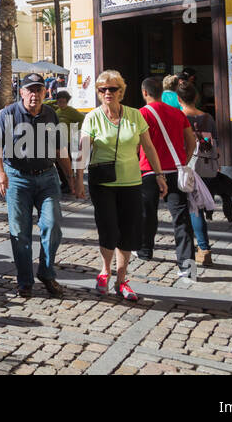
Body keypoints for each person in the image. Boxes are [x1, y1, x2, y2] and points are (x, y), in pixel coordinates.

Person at [0, 73, 81, 298]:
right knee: (20, 232)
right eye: (30, 90)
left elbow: (60, 149)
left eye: (39, 90)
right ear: (21, 93)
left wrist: (71, 177)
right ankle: (24, 280)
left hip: (48, 177)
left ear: (45, 92)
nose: (34, 95)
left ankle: (47, 273)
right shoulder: (8, 114)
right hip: (17, 178)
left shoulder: (50, 113)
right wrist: (0, 174)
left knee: (53, 224)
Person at [78, 71, 167, 301]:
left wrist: (159, 174)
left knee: (128, 231)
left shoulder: (135, 115)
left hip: (131, 181)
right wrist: (78, 179)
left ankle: (121, 278)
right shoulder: (92, 117)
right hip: (103, 183)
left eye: (113, 89)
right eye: (102, 89)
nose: (107, 93)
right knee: (108, 229)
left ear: (121, 91)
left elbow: (148, 146)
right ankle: (105, 269)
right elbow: (83, 150)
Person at [136, 75, 197, 275]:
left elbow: (135, 144)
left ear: (145, 92)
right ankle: (187, 266)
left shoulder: (141, 114)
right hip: (175, 171)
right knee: (181, 218)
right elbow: (192, 142)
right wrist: (183, 162)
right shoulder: (178, 113)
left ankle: (145, 250)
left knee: (147, 213)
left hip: (148, 171)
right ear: (162, 93)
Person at [176, 79, 219, 265]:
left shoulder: (178, 117)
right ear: (197, 97)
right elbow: (215, 145)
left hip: (186, 166)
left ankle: (203, 247)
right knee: (198, 208)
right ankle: (200, 245)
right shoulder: (208, 118)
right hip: (205, 166)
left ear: (178, 99)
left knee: (193, 210)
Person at [52, 89, 86, 192]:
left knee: (67, 164)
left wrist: (74, 128)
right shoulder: (56, 111)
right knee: (58, 164)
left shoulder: (70, 111)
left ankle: (71, 184)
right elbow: (45, 102)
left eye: (64, 102)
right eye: (59, 102)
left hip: (66, 141)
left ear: (67, 102)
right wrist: (53, 101)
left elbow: (82, 119)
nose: (61, 104)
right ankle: (64, 183)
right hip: (57, 141)